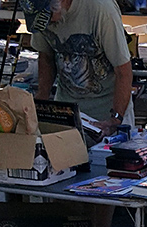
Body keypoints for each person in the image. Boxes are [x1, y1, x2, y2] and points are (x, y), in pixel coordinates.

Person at [23, 0, 134, 136]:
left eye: (48, 16)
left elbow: (123, 71)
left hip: (106, 112)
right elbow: (46, 57)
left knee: (102, 156)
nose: (48, 24)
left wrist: (116, 119)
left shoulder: (101, 9)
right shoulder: (41, 15)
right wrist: (41, 101)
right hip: (67, 112)